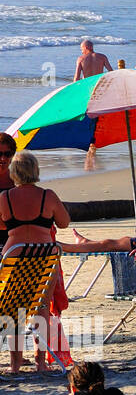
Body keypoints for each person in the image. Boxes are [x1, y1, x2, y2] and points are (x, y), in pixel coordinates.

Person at [1, 151, 71, 374]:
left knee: (14, 311)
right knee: (41, 307)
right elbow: (64, 223)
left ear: (14, 172)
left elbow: (1, 226)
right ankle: (40, 362)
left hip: (15, 258)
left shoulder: (5, 198)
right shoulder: (48, 196)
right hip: (44, 259)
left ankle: (14, 364)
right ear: (36, 171)